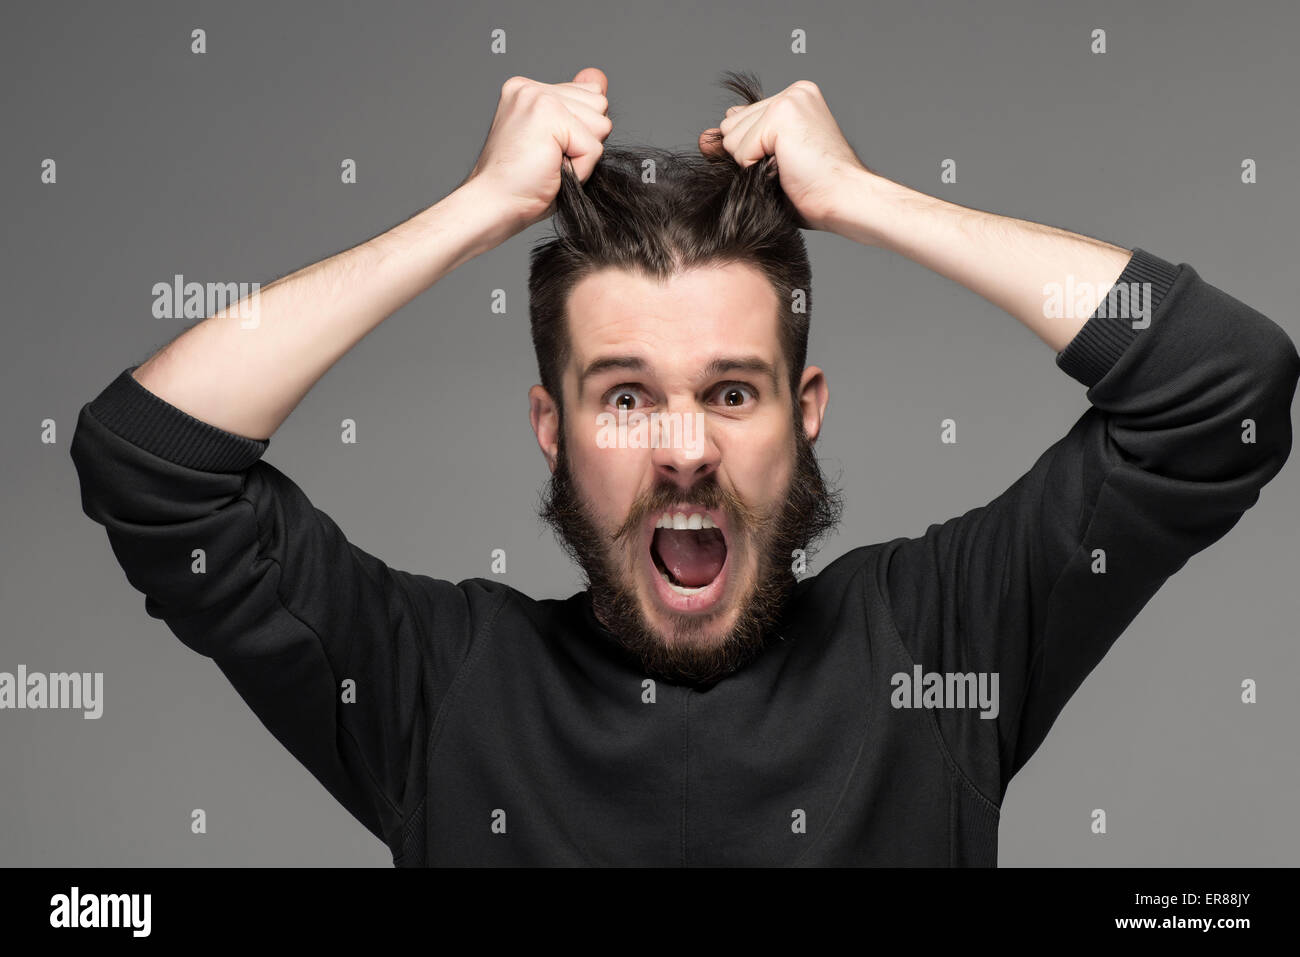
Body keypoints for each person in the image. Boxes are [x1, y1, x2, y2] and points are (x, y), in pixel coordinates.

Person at [71, 67, 1299, 866]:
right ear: (551, 429)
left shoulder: (937, 649)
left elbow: (1223, 390)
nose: (684, 450)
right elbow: (148, 459)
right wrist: (475, 210)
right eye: (624, 397)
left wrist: (863, 200)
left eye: (730, 392)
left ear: (803, 415)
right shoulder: (437, 692)